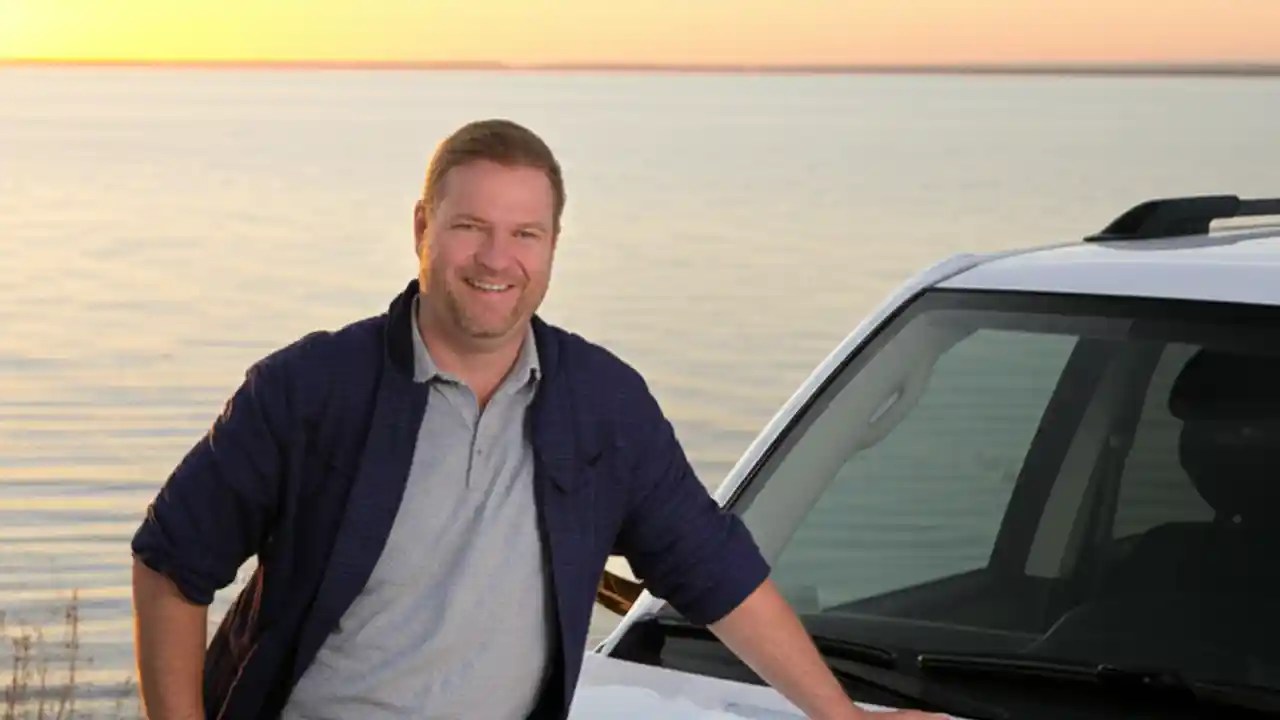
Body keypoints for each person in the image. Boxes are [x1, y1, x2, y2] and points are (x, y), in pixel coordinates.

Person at [130, 118, 943, 720]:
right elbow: (172, 563)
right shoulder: (310, 389)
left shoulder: (601, 404)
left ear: (554, 243)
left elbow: (715, 570)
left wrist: (839, 716)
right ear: (423, 229)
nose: (496, 259)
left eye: (524, 232)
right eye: (470, 227)